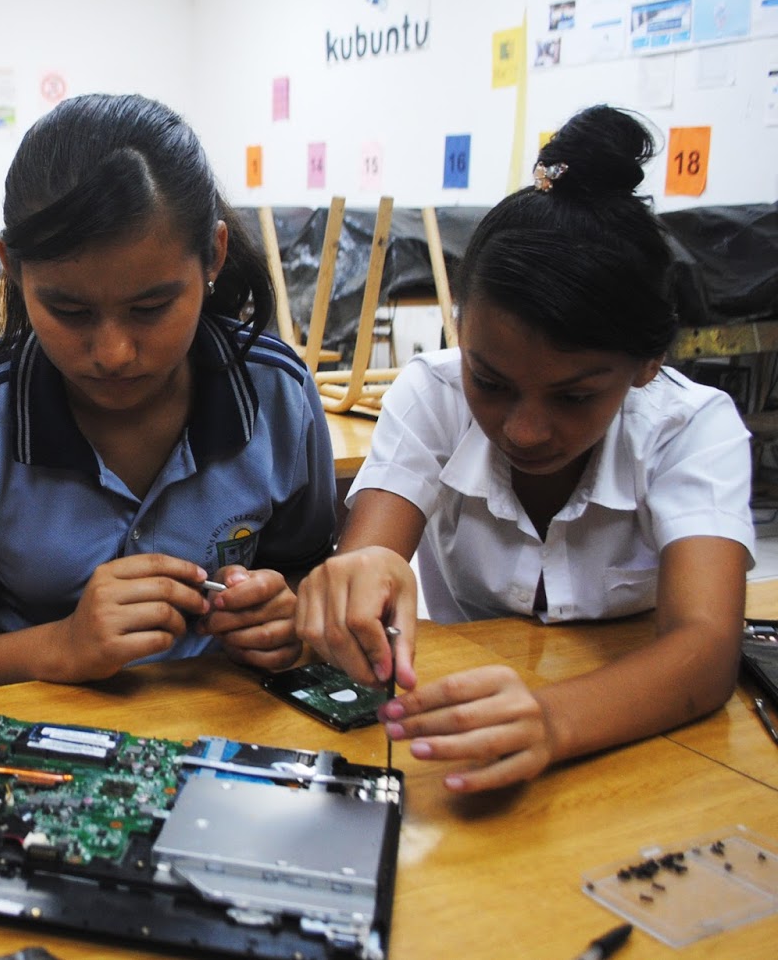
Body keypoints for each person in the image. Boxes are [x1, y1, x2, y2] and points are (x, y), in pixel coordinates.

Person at [296, 105, 753, 794]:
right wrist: (355, 582)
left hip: (629, 745)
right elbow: (372, 559)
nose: (524, 430)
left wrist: (551, 720)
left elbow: (706, 649)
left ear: (648, 363)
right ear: (461, 328)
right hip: (461, 738)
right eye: (491, 381)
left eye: (573, 397)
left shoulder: (690, 428)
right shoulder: (433, 395)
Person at [0, 93, 338, 699]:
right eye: (69, 309)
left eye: (151, 308)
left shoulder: (278, 393)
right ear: (12, 268)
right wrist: (60, 646)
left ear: (214, 256)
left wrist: (287, 615)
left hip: (227, 731)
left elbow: (310, 573)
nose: (114, 352)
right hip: (34, 747)